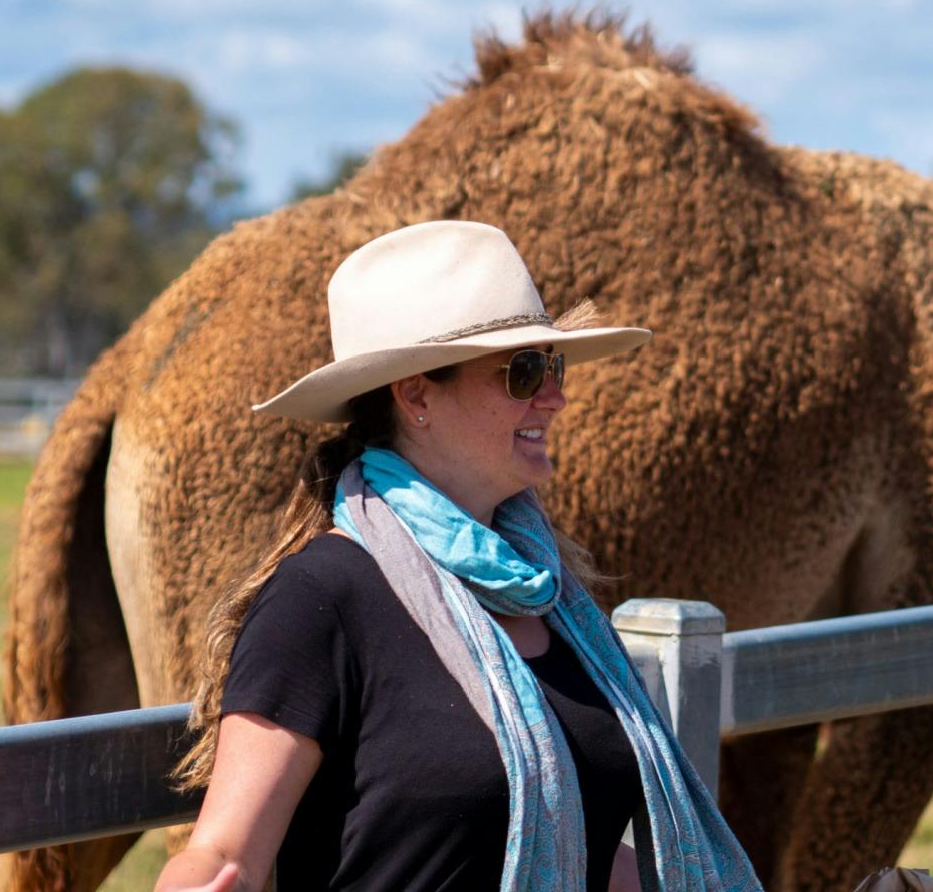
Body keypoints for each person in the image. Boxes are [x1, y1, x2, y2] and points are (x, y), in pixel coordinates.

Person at [156, 220, 761, 892]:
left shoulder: (551, 597)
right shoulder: (321, 597)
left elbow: (573, 848)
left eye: (552, 366)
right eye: (523, 372)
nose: (555, 397)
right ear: (416, 394)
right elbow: (222, 854)